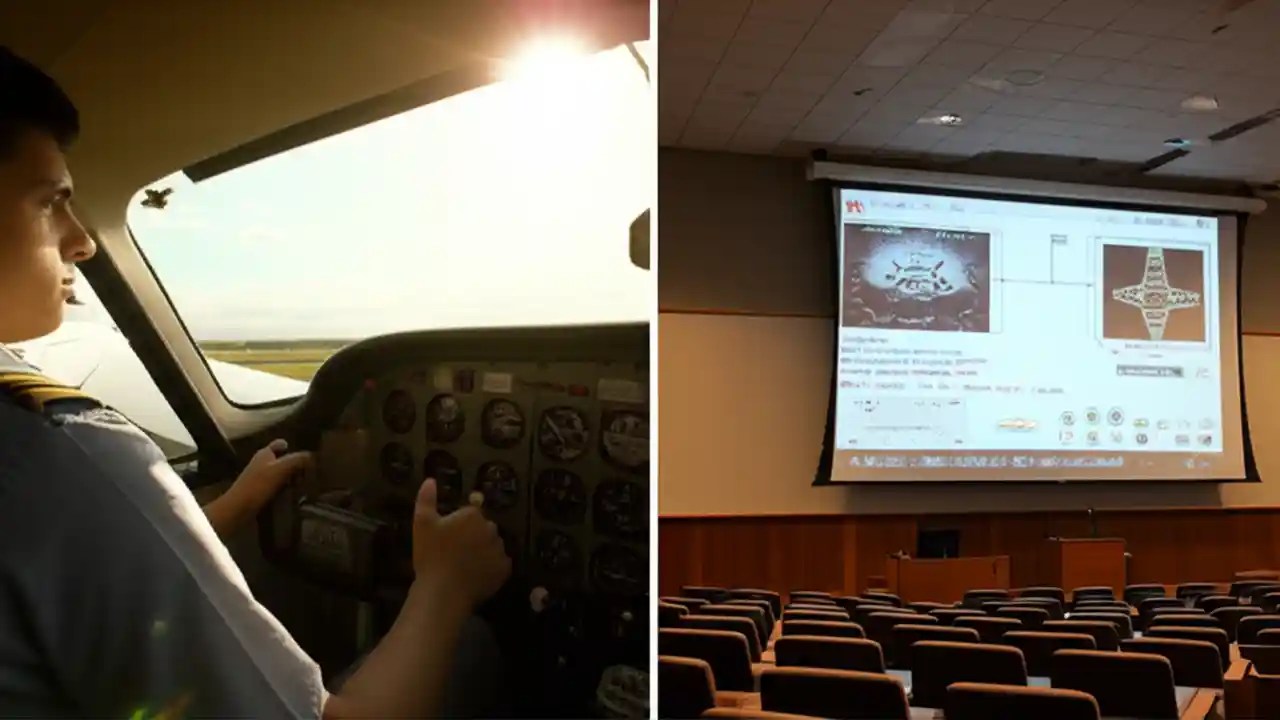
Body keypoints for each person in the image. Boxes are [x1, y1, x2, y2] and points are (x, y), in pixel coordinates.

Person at [0, 46, 511, 718]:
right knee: (471, 644)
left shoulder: (55, 466)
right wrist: (445, 584)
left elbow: (78, 568)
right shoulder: (62, 451)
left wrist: (227, 509)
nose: (82, 242)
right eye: (52, 203)